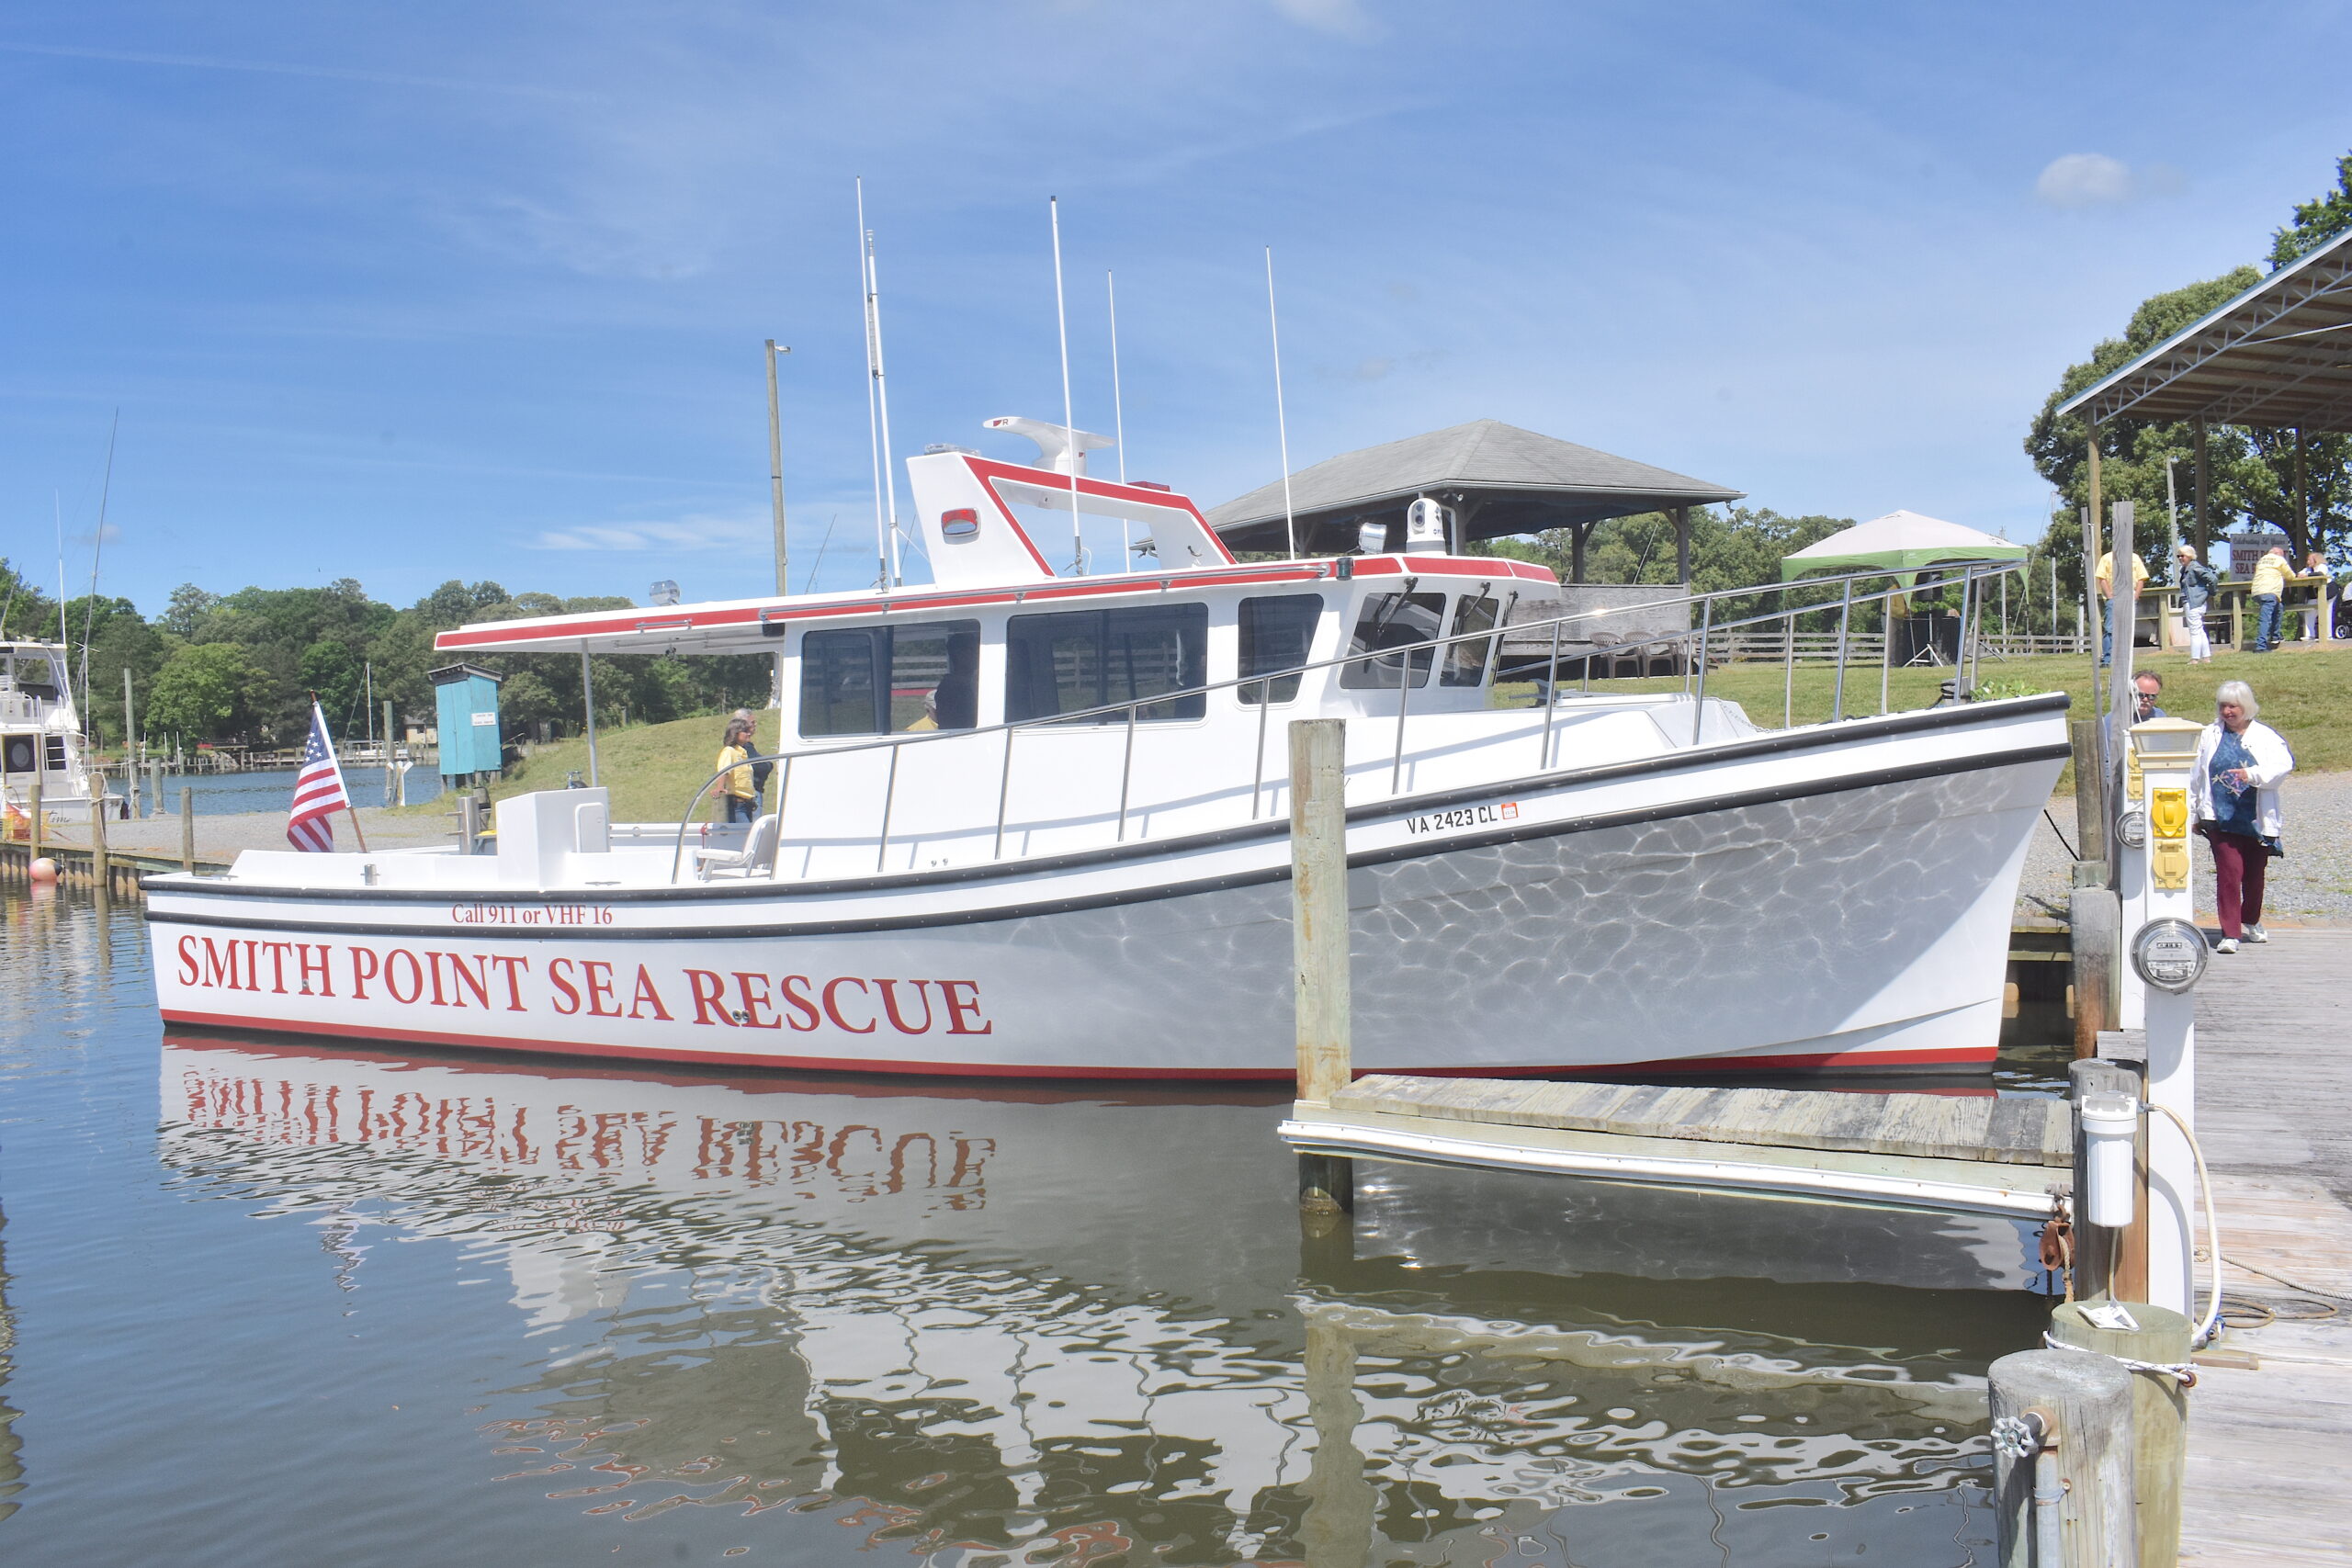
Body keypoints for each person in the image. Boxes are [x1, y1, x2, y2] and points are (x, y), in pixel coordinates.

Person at [2191, 680, 2294, 953]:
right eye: (2223, 706)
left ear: (2245, 707)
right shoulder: (2209, 735)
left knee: (2254, 876)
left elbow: (2283, 766)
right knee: (2229, 873)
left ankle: (2251, 919)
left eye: (2233, 706)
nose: (2227, 712)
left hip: (2255, 819)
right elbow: (2195, 775)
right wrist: (2194, 813)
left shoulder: (2265, 736)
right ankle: (2230, 932)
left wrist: (2252, 775)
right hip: (2220, 817)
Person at [2096, 547, 2148, 665]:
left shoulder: (2134, 558)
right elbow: (2102, 578)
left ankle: (2125, 659)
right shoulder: (2106, 558)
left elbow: (2141, 578)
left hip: (2130, 598)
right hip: (2113, 598)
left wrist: (2136, 596)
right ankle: (2107, 660)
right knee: (2110, 629)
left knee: (2127, 629)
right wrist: (2110, 596)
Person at [2174, 544, 2218, 663]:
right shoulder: (2185, 569)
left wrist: (2211, 592)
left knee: (2194, 631)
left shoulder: (2194, 567)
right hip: (2193, 602)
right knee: (2199, 630)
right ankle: (2206, 657)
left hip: (2194, 603)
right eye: (2178, 556)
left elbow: (2212, 579)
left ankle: (2194, 658)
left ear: (2189, 556)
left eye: (2182, 556)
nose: (2180, 558)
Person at [714, 716, 759, 824]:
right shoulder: (729, 751)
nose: (749, 734)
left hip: (748, 805)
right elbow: (724, 770)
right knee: (745, 833)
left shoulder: (743, 753)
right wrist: (720, 788)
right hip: (737, 806)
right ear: (735, 733)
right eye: (745, 731)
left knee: (747, 832)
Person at [2248, 544, 2290, 652]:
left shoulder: (2261, 560)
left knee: (2279, 608)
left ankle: (2275, 636)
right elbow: (2290, 575)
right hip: (2270, 592)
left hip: (2257, 592)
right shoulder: (2279, 560)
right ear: (2278, 554)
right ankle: (2261, 646)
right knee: (2265, 619)